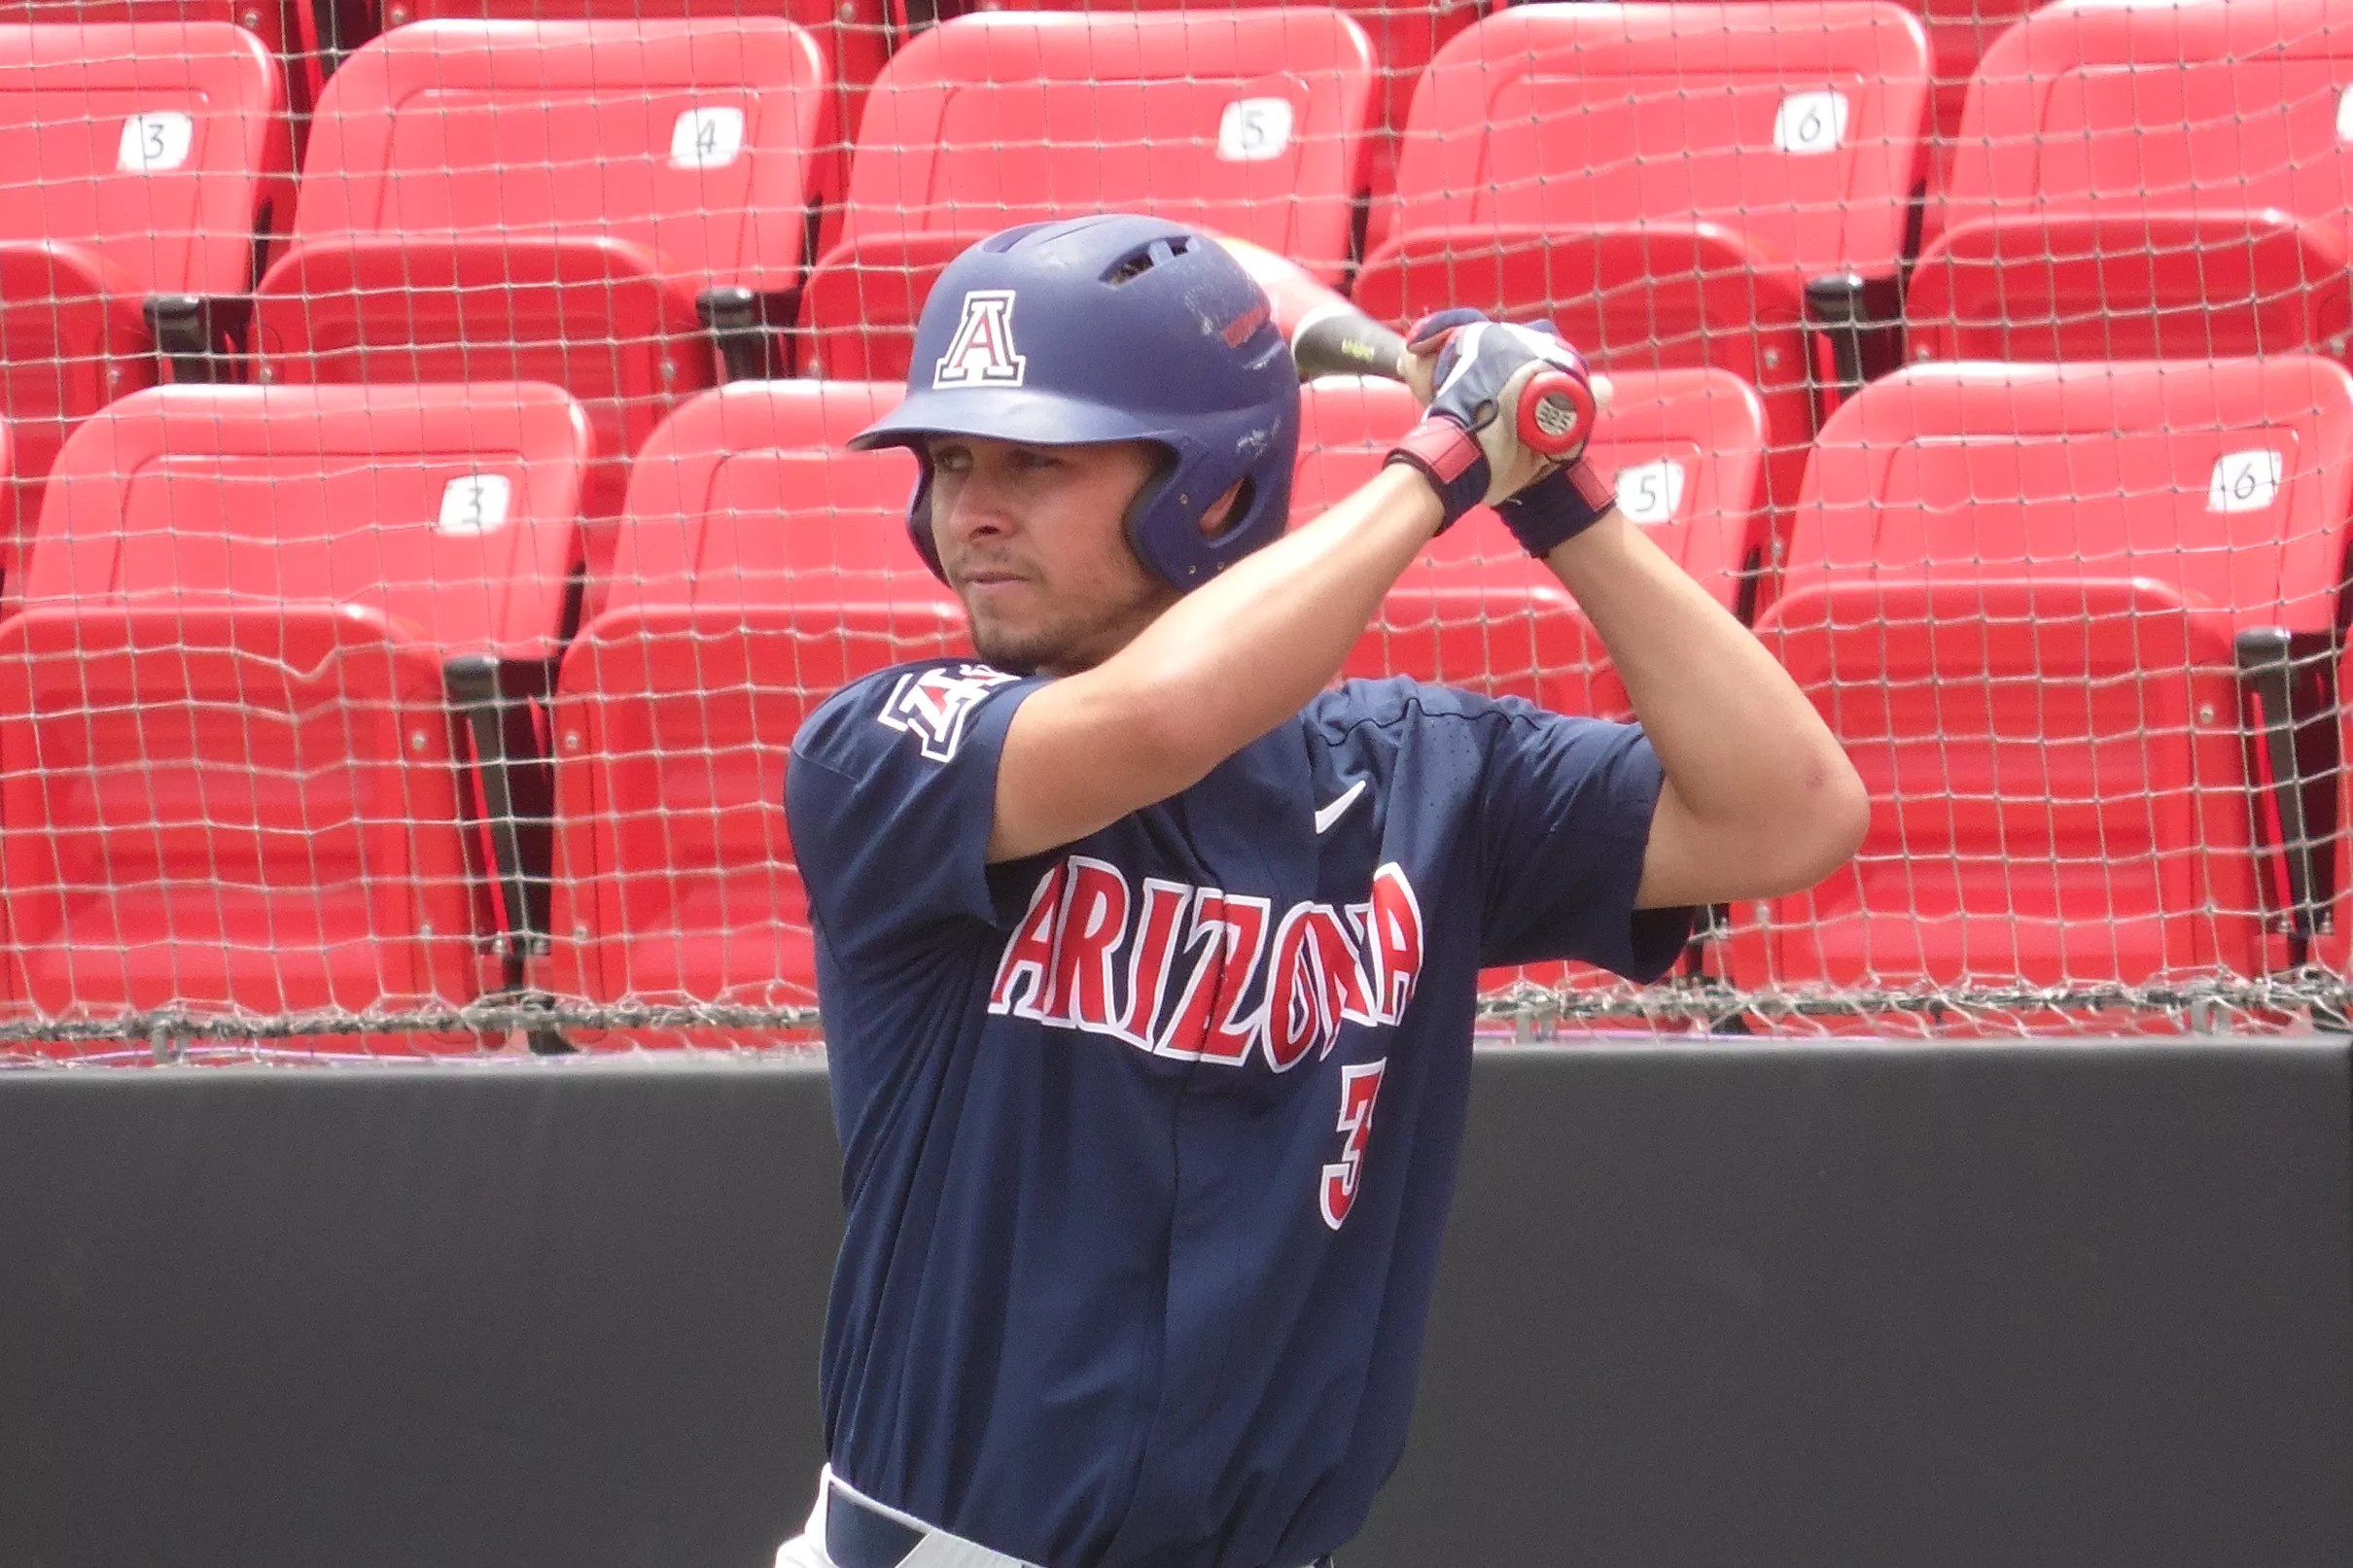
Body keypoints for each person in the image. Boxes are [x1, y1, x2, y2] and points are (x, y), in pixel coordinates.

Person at [779, 213, 1868, 1568]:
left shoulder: (1419, 771)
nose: (972, 509)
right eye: (950, 461)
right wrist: (1445, 462)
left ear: (1212, 489)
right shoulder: (887, 750)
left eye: (1035, 462)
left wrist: (1557, 496)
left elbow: (1793, 811)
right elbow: (1162, 718)